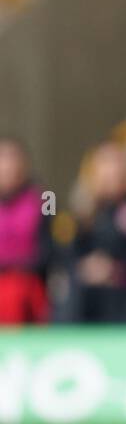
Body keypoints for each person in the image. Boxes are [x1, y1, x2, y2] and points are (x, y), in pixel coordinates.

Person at [62, 142, 126, 323]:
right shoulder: (80, 215)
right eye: (105, 164)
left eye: (116, 164)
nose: (111, 172)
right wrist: (86, 268)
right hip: (86, 288)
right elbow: (65, 256)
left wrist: (115, 270)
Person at [0, 137, 52, 324]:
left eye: (12, 159)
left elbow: (52, 243)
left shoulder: (47, 198)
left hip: (29, 281)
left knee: (14, 293)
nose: (7, 166)